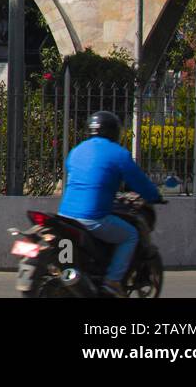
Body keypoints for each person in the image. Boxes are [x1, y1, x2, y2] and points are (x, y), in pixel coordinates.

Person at [58, 110, 162, 297]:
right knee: (130, 235)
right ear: (114, 132)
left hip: (65, 216)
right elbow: (139, 182)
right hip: (92, 218)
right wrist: (155, 196)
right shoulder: (118, 154)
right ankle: (112, 282)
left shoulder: (77, 150)